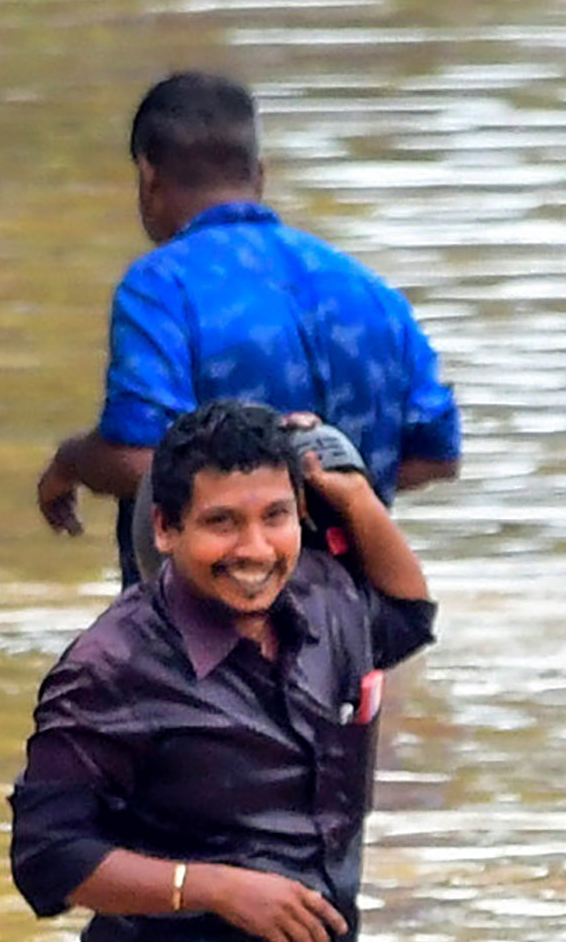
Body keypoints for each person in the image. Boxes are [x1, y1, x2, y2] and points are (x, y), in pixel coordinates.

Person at [7, 398, 435, 942]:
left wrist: (357, 499)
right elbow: (46, 857)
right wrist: (214, 889)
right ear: (165, 528)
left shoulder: (324, 600)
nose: (255, 550)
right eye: (222, 523)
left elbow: (409, 614)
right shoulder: (110, 668)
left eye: (276, 517)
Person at [30, 71, 459, 583]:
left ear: (148, 176)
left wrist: (71, 462)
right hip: (358, 606)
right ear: (259, 174)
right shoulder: (368, 290)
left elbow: (138, 459)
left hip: (218, 613)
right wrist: (325, 493)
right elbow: (435, 456)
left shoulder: (162, 288)